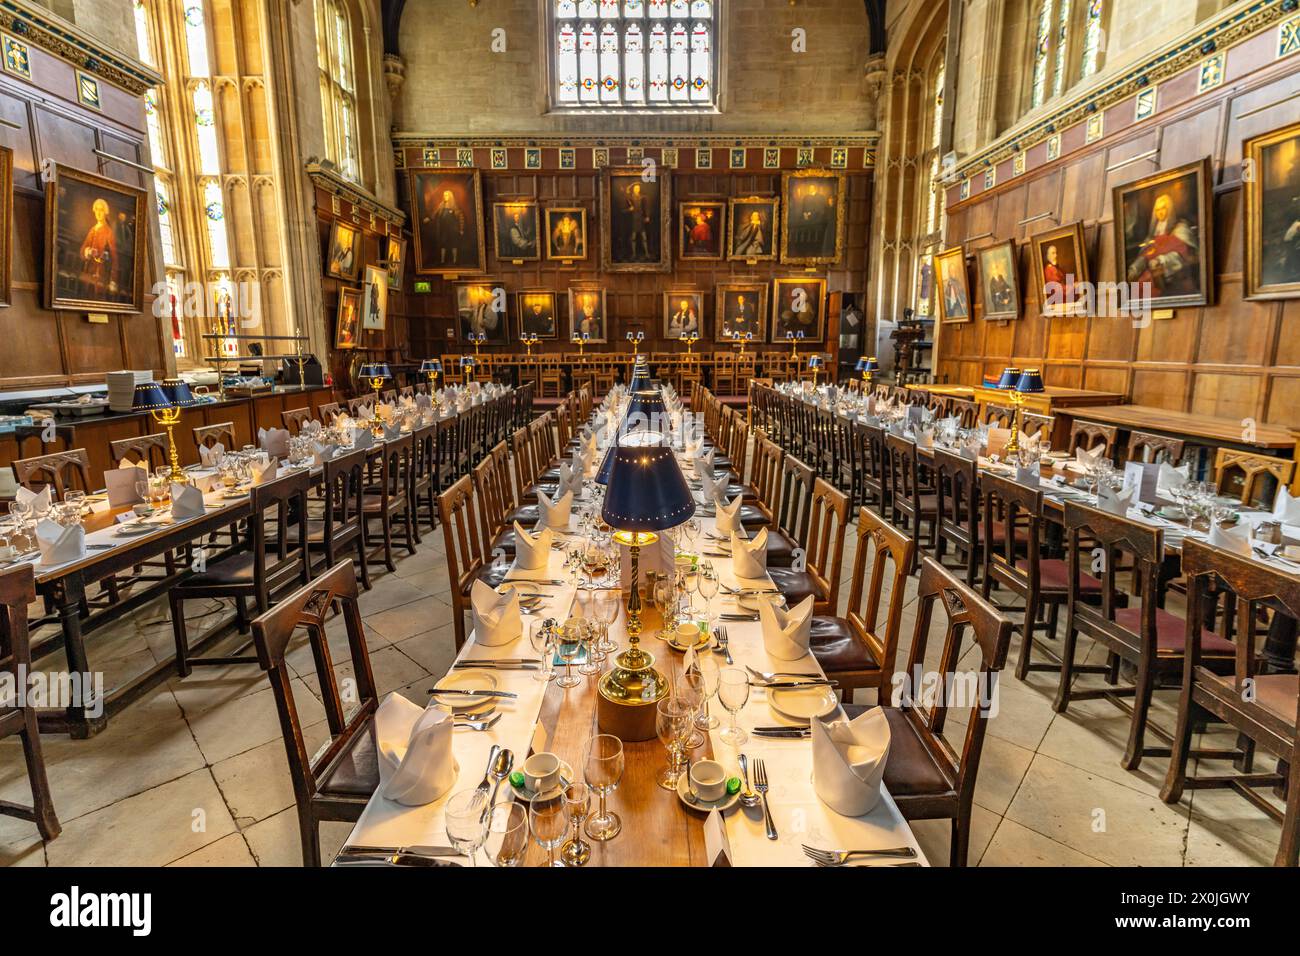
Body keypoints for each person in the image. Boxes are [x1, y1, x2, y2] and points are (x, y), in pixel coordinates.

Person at [1125, 192, 1200, 298]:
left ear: (1169, 209)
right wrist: (1135, 268)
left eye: (1163, 208)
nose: (1160, 212)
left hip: (1174, 276)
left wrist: (1161, 260)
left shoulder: (1180, 229)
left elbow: (1187, 255)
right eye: (1157, 210)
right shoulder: (1153, 233)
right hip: (1151, 272)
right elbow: (1145, 254)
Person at [78, 197, 117, 299]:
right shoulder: (93, 229)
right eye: (97, 210)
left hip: (101, 274)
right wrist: (88, 251)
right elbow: (82, 251)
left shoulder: (109, 232)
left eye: (101, 210)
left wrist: (104, 255)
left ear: (105, 212)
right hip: (88, 271)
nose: (98, 213)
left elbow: (114, 257)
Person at [423, 182, 466, 267]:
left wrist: (461, 229)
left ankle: (455, 261)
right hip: (444, 229)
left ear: (450, 196)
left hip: (453, 229)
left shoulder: (455, 207)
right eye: (444, 195)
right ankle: (442, 261)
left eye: (447, 195)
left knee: (454, 244)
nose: (445, 196)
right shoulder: (441, 206)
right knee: (443, 244)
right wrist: (429, 218)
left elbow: (461, 218)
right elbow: (434, 214)